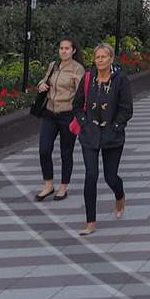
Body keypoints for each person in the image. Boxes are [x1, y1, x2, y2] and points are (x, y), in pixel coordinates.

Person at [74, 42, 133, 236]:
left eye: (104, 57)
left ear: (111, 59)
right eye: (97, 57)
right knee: (91, 175)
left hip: (112, 136)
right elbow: (77, 104)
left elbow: (126, 108)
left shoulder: (120, 79)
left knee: (110, 177)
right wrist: (83, 123)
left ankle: (119, 195)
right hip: (90, 135)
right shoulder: (88, 78)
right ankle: (90, 222)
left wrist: (116, 125)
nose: (100, 60)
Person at [34, 37, 86, 202]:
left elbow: (81, 93)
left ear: (73, 51)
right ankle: (48, 184)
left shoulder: (78, 69)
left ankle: (63, 186)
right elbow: (45, 80)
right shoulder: (53, 66)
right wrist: (41, 85)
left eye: (67, 48)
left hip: (67, 114)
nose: (63, 51)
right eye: (61, 48)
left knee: (66, 152)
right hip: (50, 112)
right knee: (44, 149)